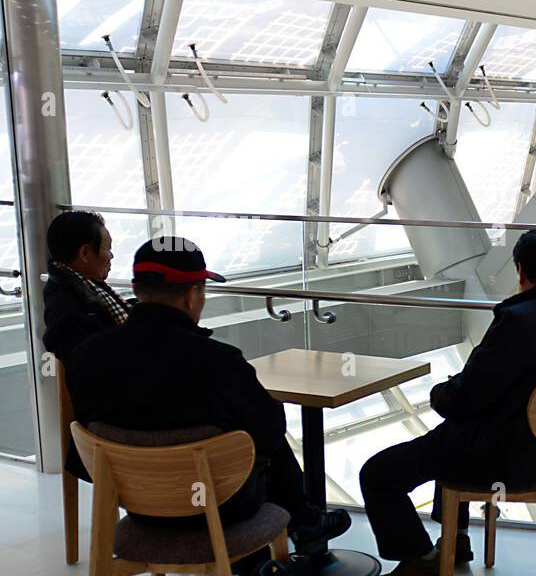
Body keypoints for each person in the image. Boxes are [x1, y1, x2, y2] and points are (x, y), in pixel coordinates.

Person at [67, 238, 349, 552]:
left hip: (136, 504)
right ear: (192, 296)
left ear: (136, 290)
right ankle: (303, 522)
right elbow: (269, 431)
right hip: (219, 506)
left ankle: (289, 536)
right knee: (262, 434)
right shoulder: (218, 361)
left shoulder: (84, 356)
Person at [361, 227, 536, 576]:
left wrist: (440, 393)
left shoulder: (517, 324)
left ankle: (418, 560)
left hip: (501, 459)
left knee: (378, 473)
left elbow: (467, 397)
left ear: (522, 271)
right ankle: (455, 542)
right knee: (448, 439)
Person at [42, 210, 132, 366]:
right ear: (84, 253)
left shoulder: (81, 286)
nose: (111, 256)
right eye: (108, 249)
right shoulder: (68, 313)